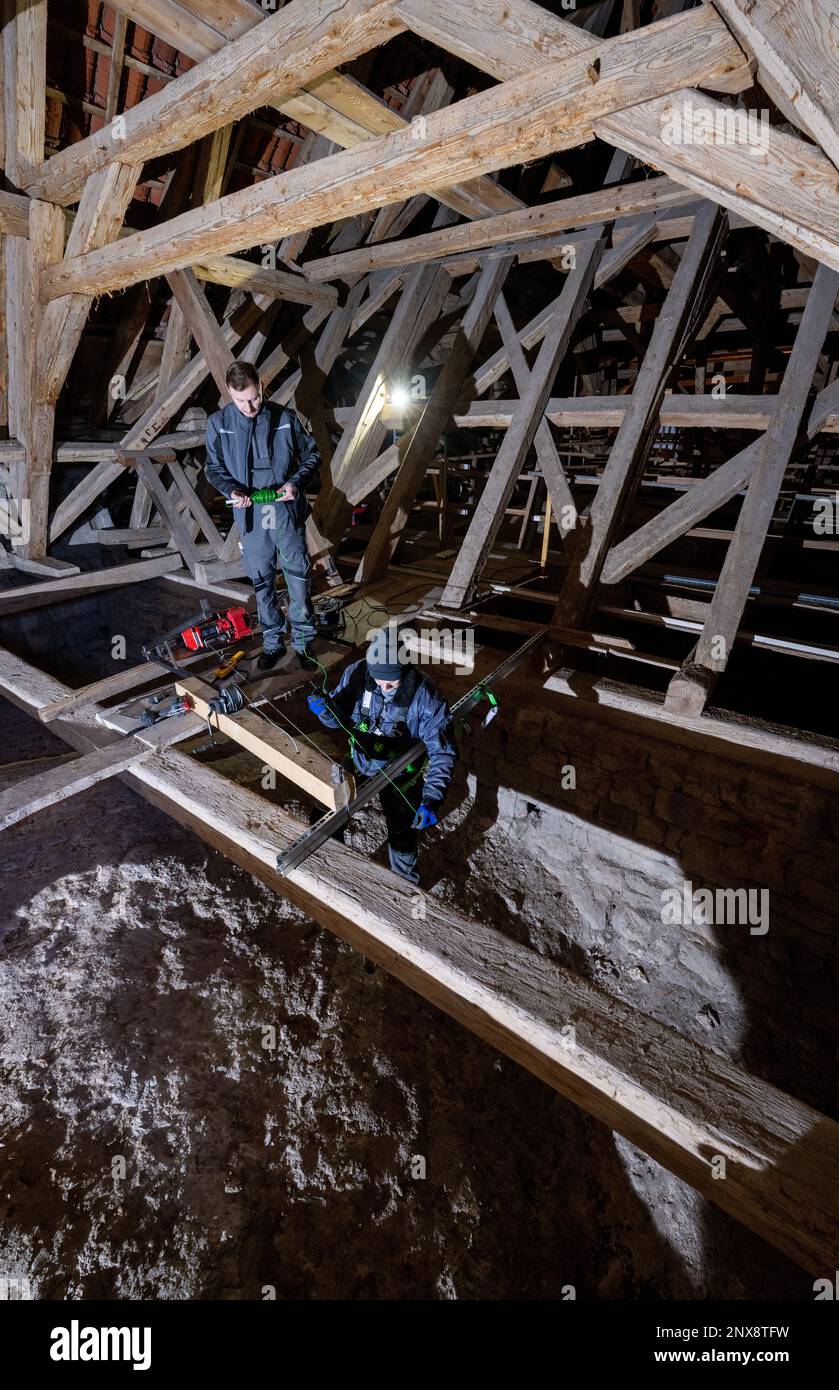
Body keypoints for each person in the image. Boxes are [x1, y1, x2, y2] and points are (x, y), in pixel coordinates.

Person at [204, 360, 321, 671]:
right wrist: (231, 491)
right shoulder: (219, 423)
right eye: (240, 400)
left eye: (254, 397)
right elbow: (212, 468)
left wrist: (296, 483)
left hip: (283, 509)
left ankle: (304, 643)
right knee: (262, 580)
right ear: (230, 394)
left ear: (261, 387)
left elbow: (313, 454)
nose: (249, 406)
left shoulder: (285, 418)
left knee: (297, 577)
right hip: (252, 515)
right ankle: (273, 643)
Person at [307, 649, 457, 885]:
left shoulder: (427, 698)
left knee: (402, 830)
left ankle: (404, 886)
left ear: (405, 673)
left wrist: (432, 798)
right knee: (327, 812)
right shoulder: (357, 672)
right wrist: (326, 711)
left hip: (401, 772)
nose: (384, 689)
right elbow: (339, 716)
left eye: (392, 684)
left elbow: (442, 752)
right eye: (379, 682)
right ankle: (331, 868)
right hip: (361, 758)